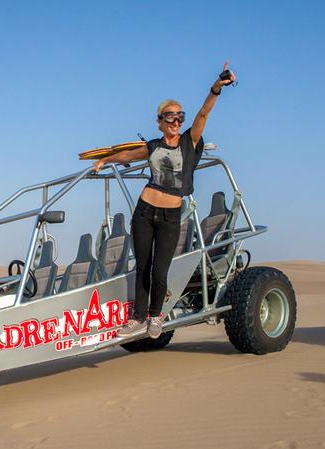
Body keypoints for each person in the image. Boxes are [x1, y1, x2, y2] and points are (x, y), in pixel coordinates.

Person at [93, 62, 236, 339]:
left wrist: (216, 88)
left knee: (160, 270)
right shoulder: (153, 147)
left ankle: (155, 316)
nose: (176, 122)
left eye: (180, 117)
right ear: (160, 121)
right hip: (145, 212)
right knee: (142, 268)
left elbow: (204, 113)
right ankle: (138, 319)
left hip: (170, 217)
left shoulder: (189, 142)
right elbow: (128, 156)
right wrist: (104, 160)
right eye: (170, 117)